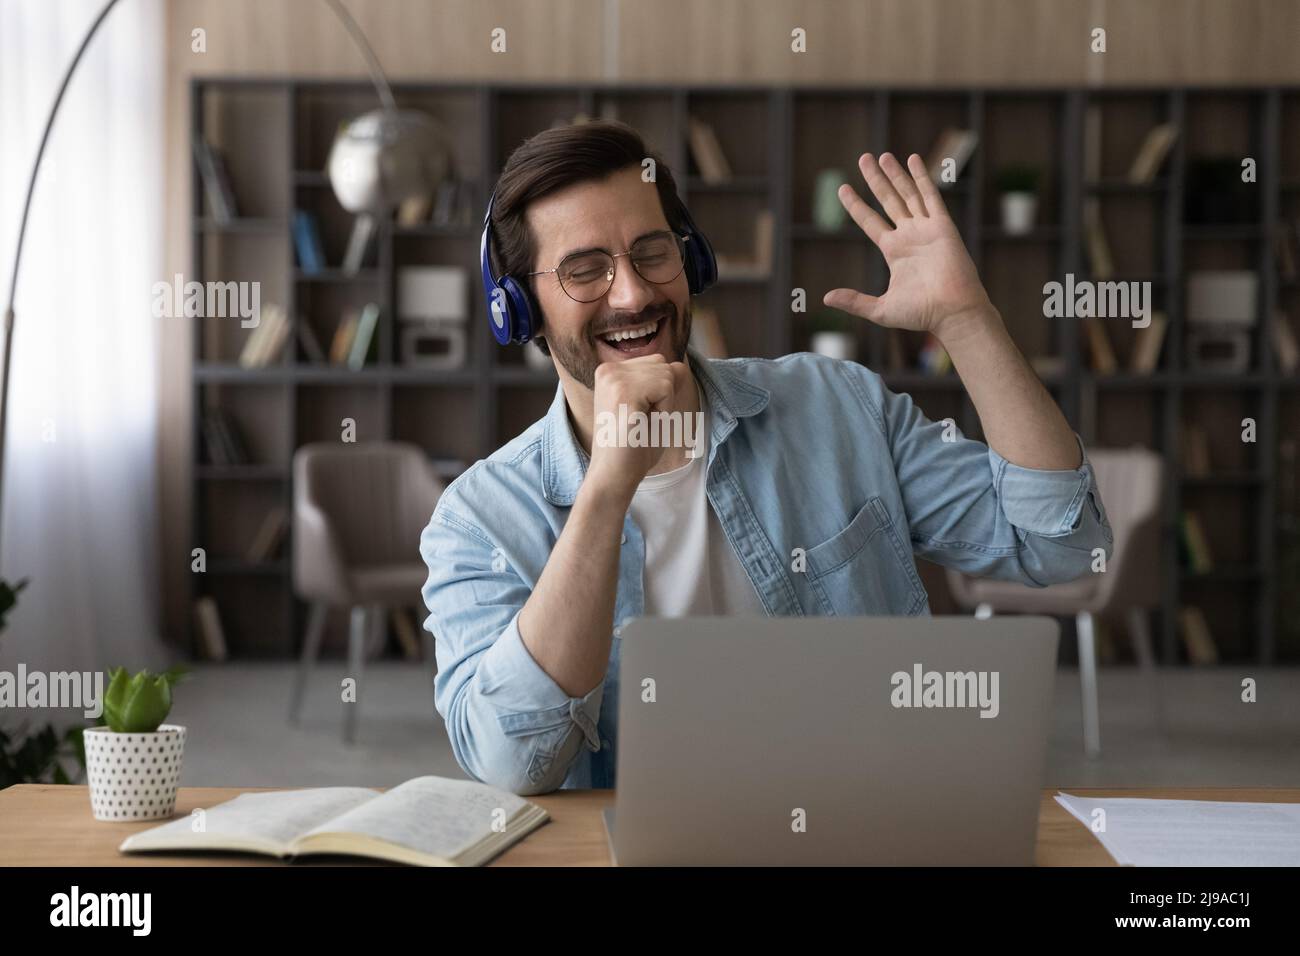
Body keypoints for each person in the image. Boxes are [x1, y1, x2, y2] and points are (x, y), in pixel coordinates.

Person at [420, 120, 1112, 794]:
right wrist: (606, 486)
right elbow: (515, 763)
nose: (632, 294)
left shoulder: (837, 406)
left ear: (692, 261)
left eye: (652, 252)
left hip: (863, 831)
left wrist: (968, 321)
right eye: (585, 270)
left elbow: (1063, 545)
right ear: (517, 307)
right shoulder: (478, 520)